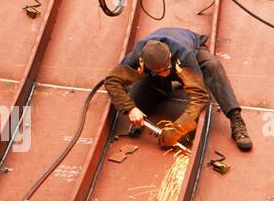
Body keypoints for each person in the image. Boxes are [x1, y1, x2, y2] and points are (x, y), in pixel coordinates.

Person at [103, 27, 250, 152]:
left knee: (213, 66)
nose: (165, 73)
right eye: (159, 71)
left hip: (191, 56)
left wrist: (177, 129)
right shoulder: (136, 57)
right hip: (157, 70)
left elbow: (199, 97)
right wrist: (130, 109)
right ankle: (162, 88)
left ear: (169, 56)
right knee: (134, 101)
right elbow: (111, 81)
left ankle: (236, 119)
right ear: (143, 62)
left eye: (166, 69)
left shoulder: (184, 55)